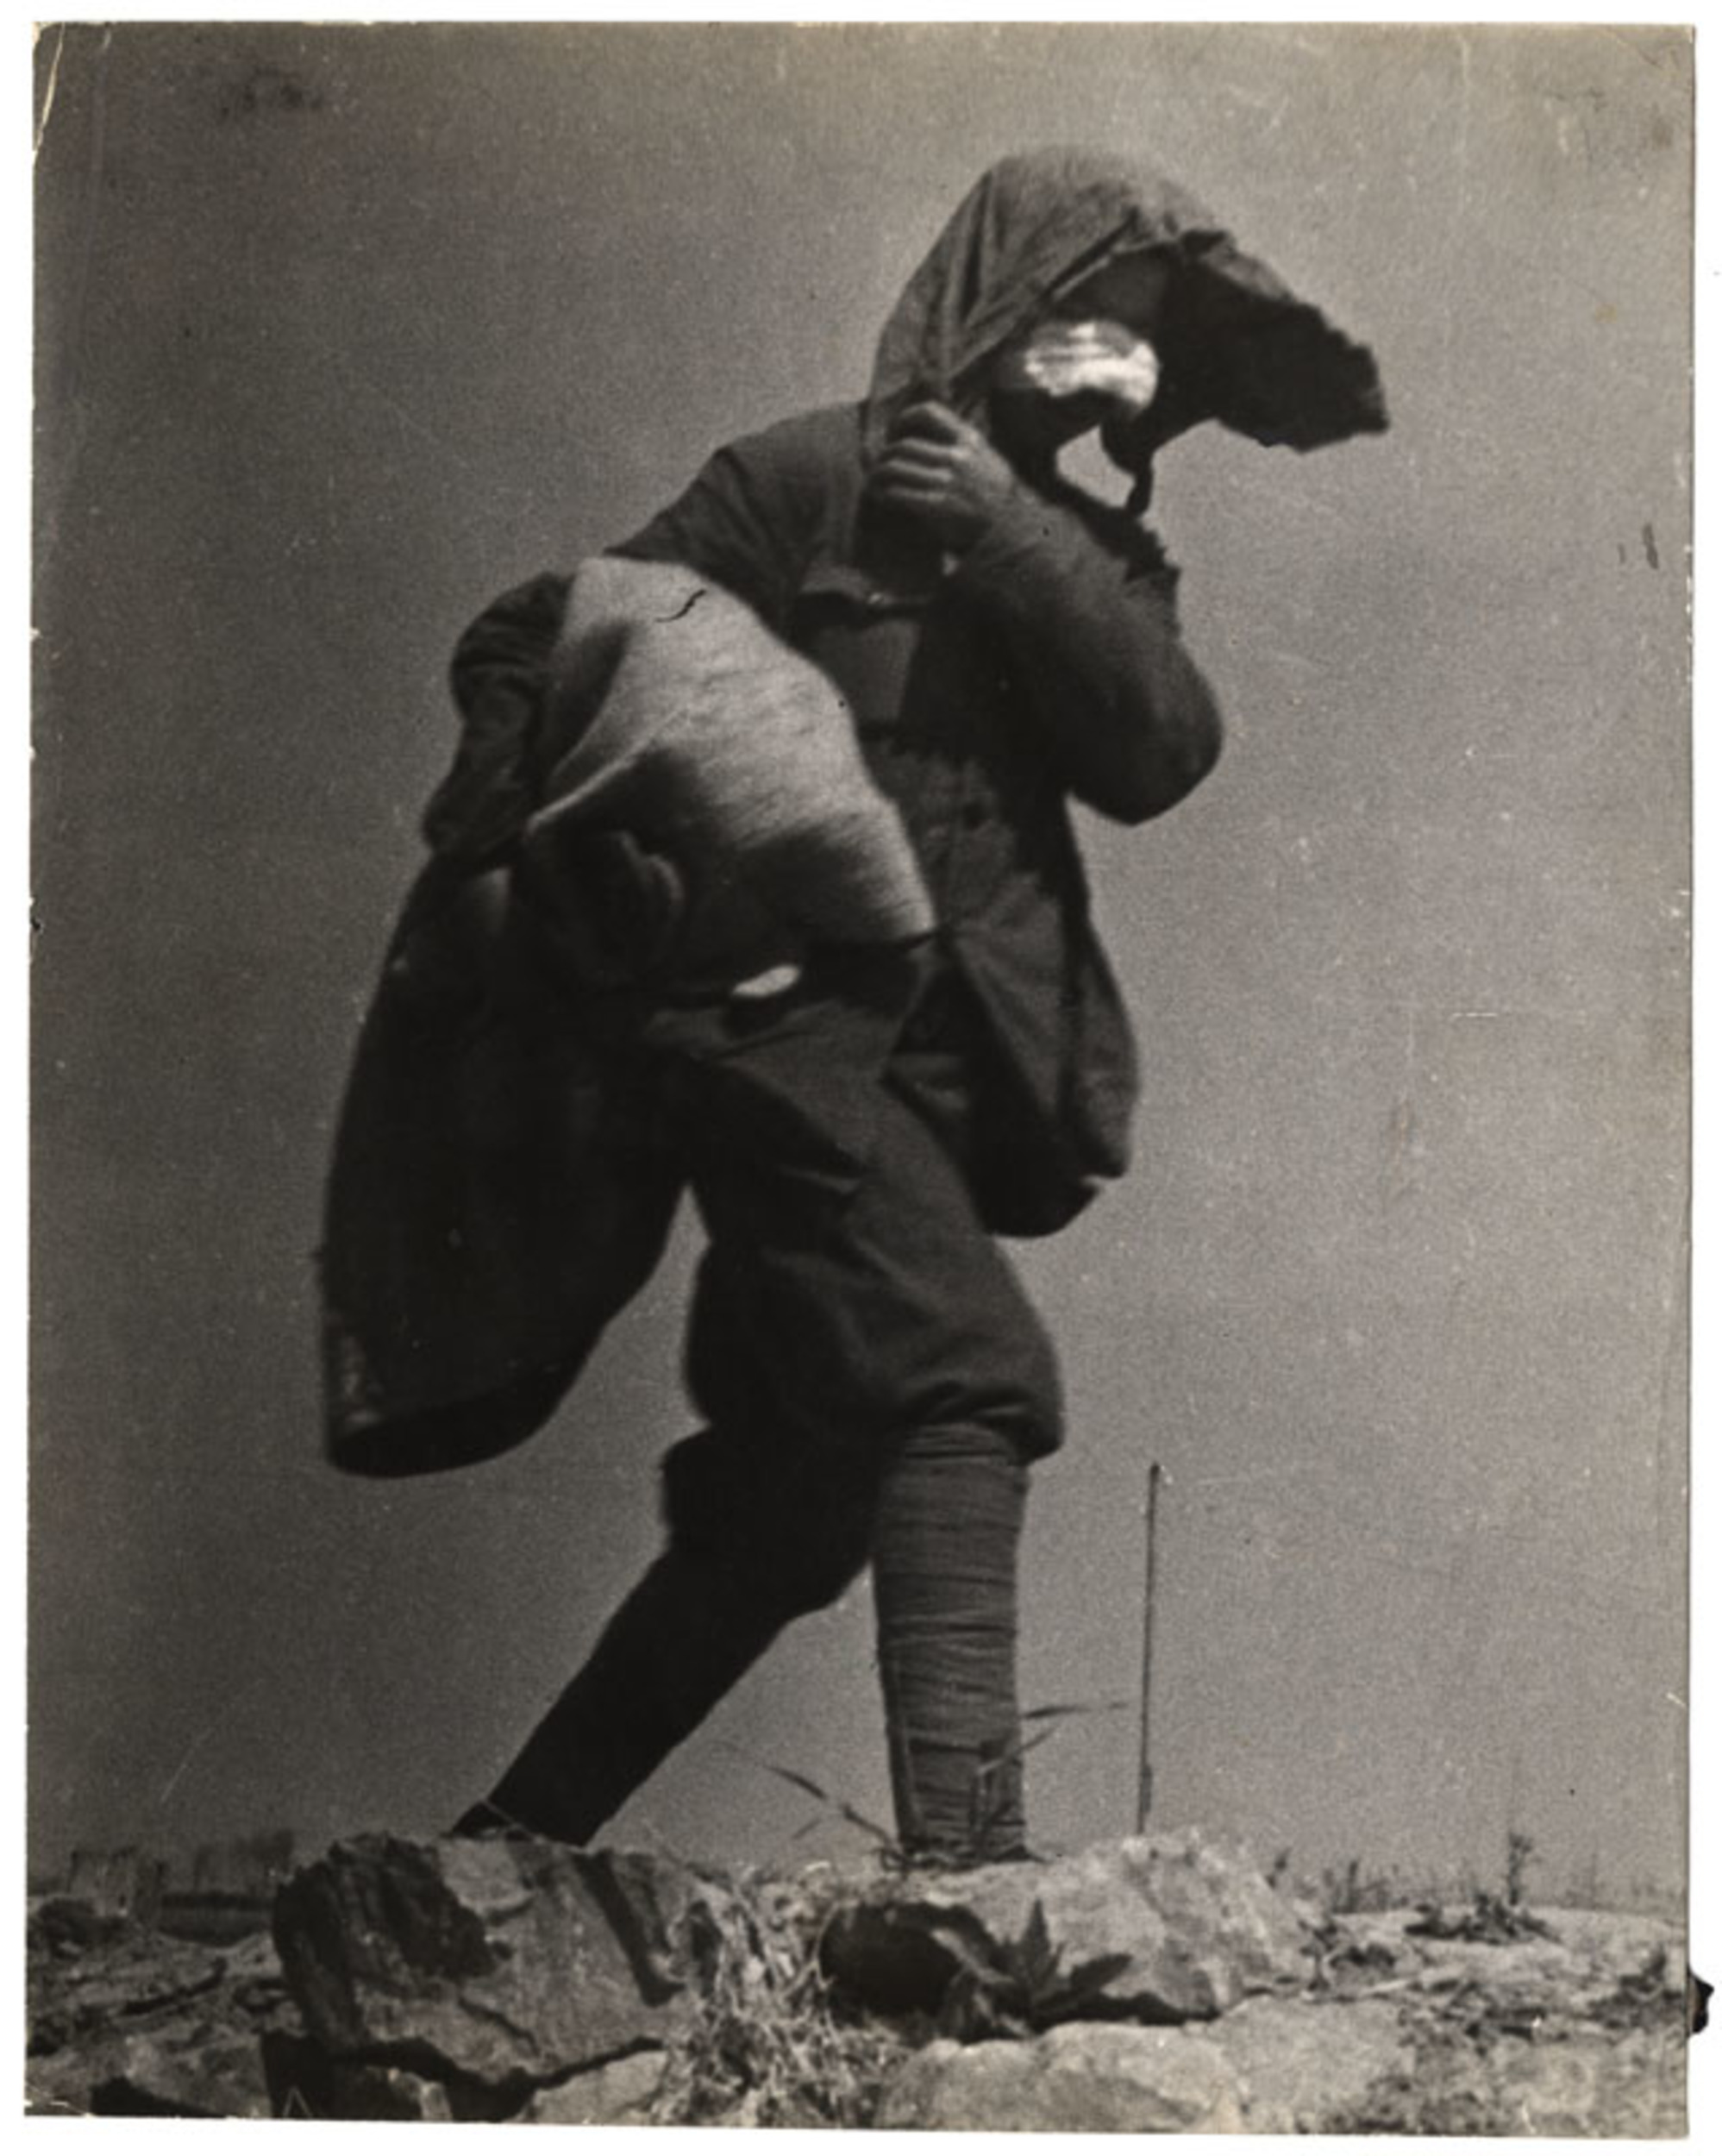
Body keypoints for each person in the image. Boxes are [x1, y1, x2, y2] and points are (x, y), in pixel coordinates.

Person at [325, 147, 1385, 1865]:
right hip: (767, 1036)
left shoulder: (1099, 553)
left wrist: (1005, 533)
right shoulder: (803, 484)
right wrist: (528, 848)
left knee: (788, 1502)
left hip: (939, 1079)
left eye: (1137, 338)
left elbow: (1163, 751)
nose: (1111, 367)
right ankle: (971, 1882)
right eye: (1088, 320)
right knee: (966, 1378)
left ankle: (495, 1860)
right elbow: (538, 632)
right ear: (1006, 305)